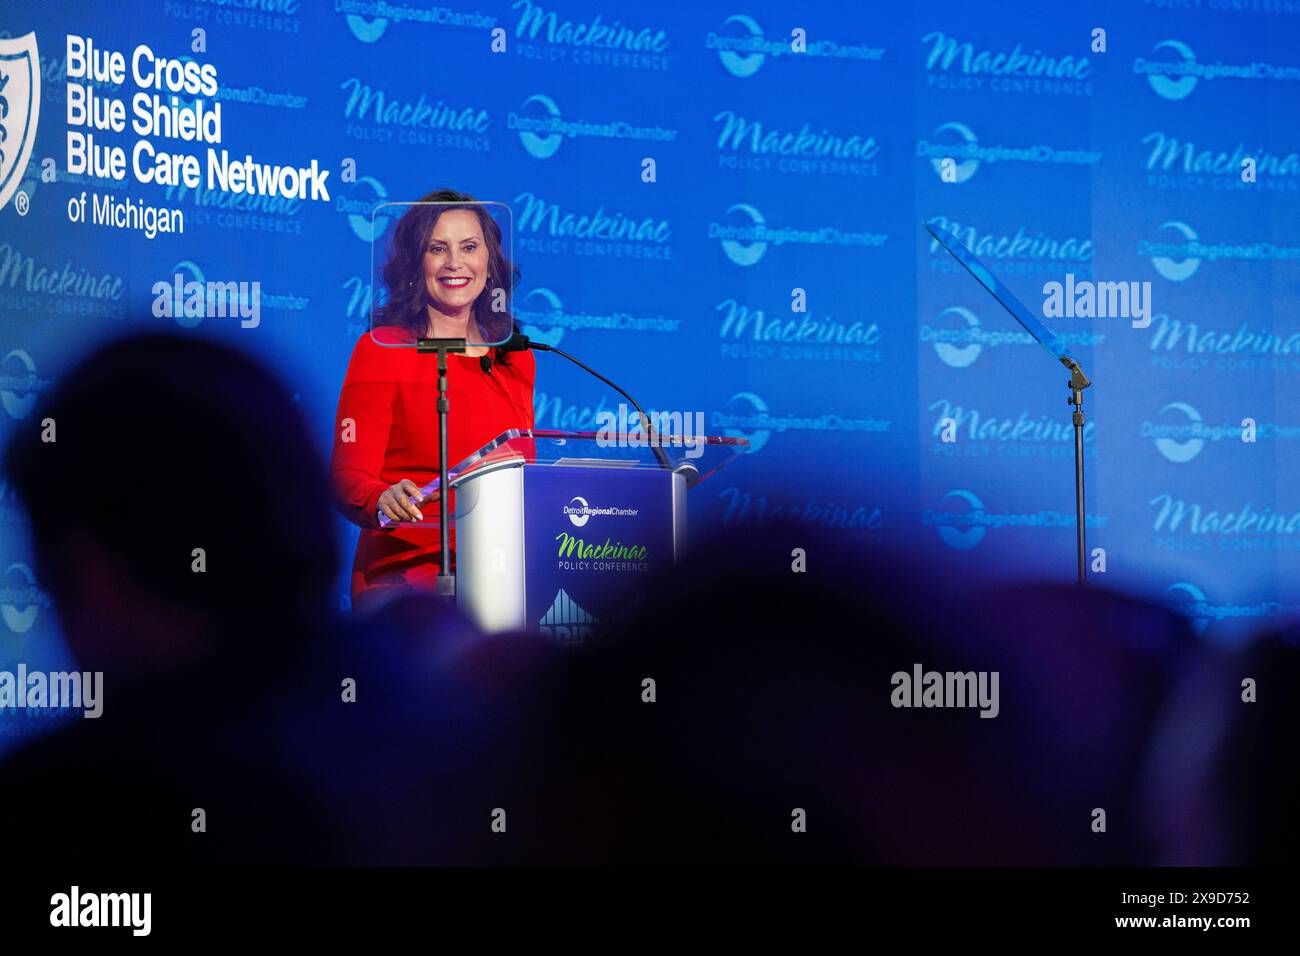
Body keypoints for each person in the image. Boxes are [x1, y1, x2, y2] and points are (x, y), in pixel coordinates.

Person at [331, 189, 535, 612]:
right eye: (437, 249)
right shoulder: (382, 350)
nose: (455, 263)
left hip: (503, 583)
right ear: (414, 262)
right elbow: (348, 477)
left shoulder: (515, 358)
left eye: (469, 247)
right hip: (405, 585)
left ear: (490, 261)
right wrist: (382, 498)